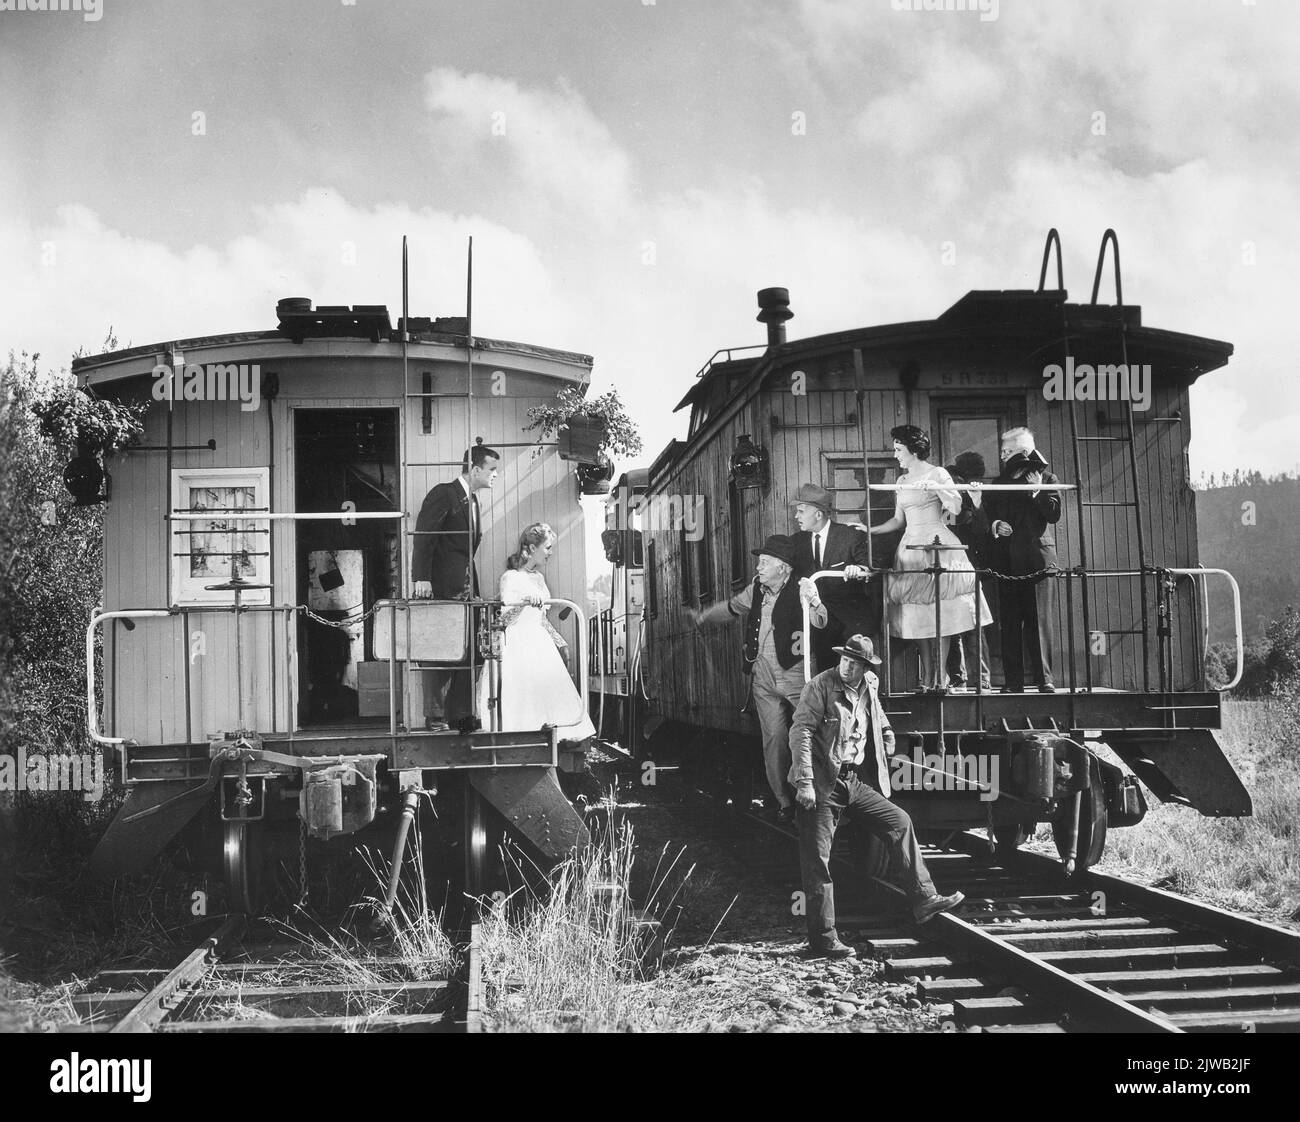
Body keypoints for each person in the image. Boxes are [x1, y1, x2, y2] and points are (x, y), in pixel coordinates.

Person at [789, 634, 964, 958]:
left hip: (854, 781)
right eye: (844, 659)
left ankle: (925, 899)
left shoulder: (869, 683)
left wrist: (885, 737)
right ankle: (824, 940)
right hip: (823, 781)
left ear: (865, 666)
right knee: (818, 862)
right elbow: (800, 733)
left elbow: (879, 716)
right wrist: (805, 782)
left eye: (854, 663)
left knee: (899, 821)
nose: (846, 666)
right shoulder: (820, 686)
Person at [692, 534, 826, 823]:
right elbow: (730, 609)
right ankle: (785, 803)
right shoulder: (756, 589)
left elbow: (821, 621)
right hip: (762, 675)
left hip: (797, 671)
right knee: (774, 740)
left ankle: (816, 796)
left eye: (765, 563)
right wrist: (703, 617)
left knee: (808, 734)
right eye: (759, 562)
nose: (759, 568)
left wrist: (814, 601)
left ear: (784, 567)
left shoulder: (802, 587)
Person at [860, 425, 990, 691]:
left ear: (914, 449)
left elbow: (955, 507)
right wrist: (869, 530)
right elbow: (898, 520)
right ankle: (927, 677)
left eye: (898, 449)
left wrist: (937, 488)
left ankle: (940, 677)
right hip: (910, 548)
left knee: (941, 614)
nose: (895, 454)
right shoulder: (902, 481)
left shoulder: (938, 473)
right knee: (918, 613)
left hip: (937, 544)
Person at [411, 444, 500, 731]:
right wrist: (421, 577)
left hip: (466, 587)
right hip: (440, 586)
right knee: (439, 648)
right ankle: (436, 715)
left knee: (469, 649)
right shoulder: (443, 493)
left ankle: (460, 714)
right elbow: (424, 537)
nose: (495, 476)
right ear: (475, 469)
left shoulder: (474, 502)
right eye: (492, 470)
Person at [480, 522, 596, 739]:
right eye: (548, 547)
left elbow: (542, 620)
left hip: (539, 641)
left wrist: (560, 641)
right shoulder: (511, 577)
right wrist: (524, 602)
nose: (550, 553)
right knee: (523, 698)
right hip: (517, 643)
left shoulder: (539, 578)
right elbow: (504, 618)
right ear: (533, 549)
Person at [984, 439, 1061, 693]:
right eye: (1002, 451)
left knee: (1038, 621)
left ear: (1024, 452)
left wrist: (1037, 489)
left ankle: (1044, 680)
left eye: (1008, 451)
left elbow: (1053, 514)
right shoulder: (999, 483)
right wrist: (996, 525)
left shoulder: (1047, 478)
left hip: (1037, 560)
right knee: (1010, 622)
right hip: (1007, 561)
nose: (1003, 455)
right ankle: (1013, 682)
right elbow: (989, 512)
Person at [790, 482, 880, 673]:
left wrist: (858, 569)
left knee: (859, 676)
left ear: (818, 514)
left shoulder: (849, 535)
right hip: (820, 625)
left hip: (851, 622)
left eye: (801, 511)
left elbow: (870, 568)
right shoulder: (797, 543)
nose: (796, 516)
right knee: (827, 679)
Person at [944, 452, 993, 691]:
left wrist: (975, 502)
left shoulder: (969, 500)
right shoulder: (942, 494)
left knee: (972, 623)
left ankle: (979, 678)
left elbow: (981, 529)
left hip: (966, 566)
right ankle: (959, 676)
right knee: (952, 625)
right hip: (945, 565)